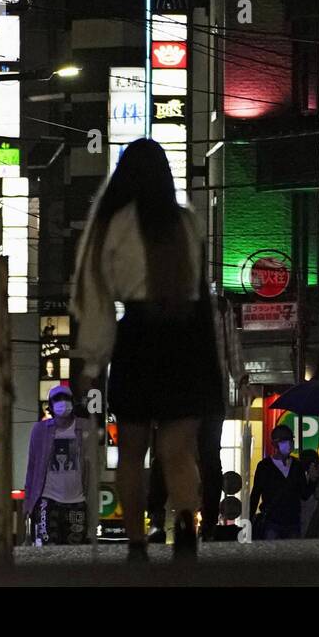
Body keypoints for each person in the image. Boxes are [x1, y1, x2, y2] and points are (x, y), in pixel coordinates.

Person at [71, 138, 223, 563]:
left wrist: (92, 360)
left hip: (137, 337)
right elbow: (201, 297)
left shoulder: (112, 225)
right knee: (178, 448)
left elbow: (98, 301)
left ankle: (137, 542)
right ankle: (187, 526)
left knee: (132, 451)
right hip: (187, 340)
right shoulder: (188, 224)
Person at [23, 385, 94, 545]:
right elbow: (32, 467)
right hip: (47, 499)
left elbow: (93, 464)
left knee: (75, 550)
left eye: (66, 399)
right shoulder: (40, 430)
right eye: (57, 399)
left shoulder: (85, 427)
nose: (62, 403)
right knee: (48, 548)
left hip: (78, 499)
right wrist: (28, 504)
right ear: (51, 405)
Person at [249, 426, 313, 540]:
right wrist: (249, 519)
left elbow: (304, 494)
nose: (288, 443)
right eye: (284, 439)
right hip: (272, 521)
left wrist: (313, 479)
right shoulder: (264, 466)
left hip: (293, 522)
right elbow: (256, 493)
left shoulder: (297, 466)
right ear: (274, 443)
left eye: (290, 439)